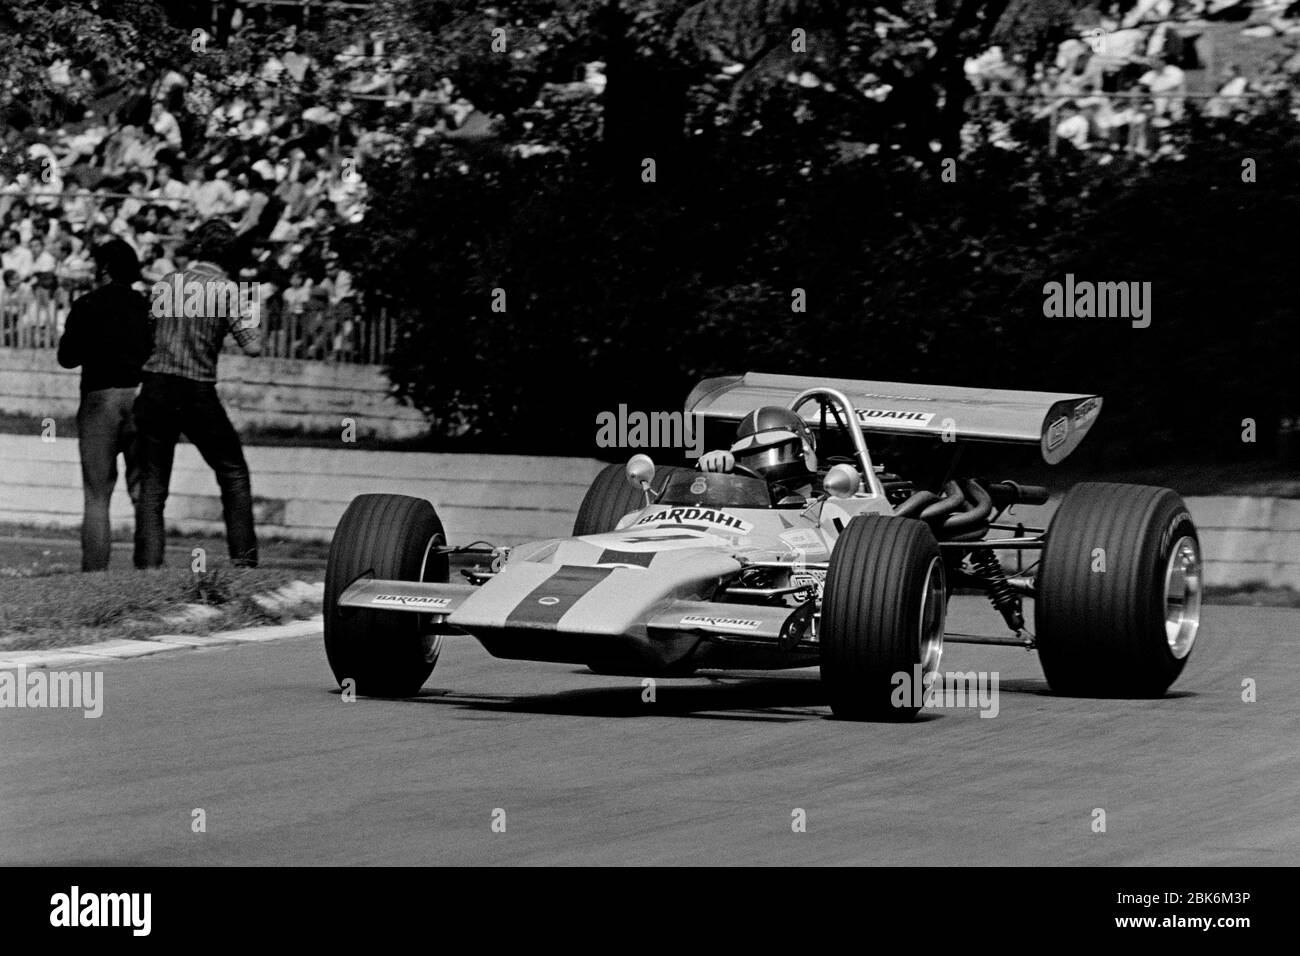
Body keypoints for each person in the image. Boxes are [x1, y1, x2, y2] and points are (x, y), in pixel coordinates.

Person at [133, 218, 261, 568]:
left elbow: (148, 334)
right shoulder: (228, 290)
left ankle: (147, 571)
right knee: (233, 472)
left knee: (153, 484)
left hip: (156, 384)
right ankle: (244, 565)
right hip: (196, 388)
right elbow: (253, 347)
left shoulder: (166, 283)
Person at [55, 239, 153, 571]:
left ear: (106, 269)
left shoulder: (87, 304)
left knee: (97, 495)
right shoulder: (147, 305)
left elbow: (67, 358)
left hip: (101, 397)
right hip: (141, 395)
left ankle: (95, 575)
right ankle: (148, 573)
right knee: (145, 493)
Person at [696, 406, 820, 500]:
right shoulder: (741, 499)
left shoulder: (828, 499)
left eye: (770, 454)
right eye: (754, 458)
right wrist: (713, 474)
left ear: (804, 449)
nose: (763, 465)